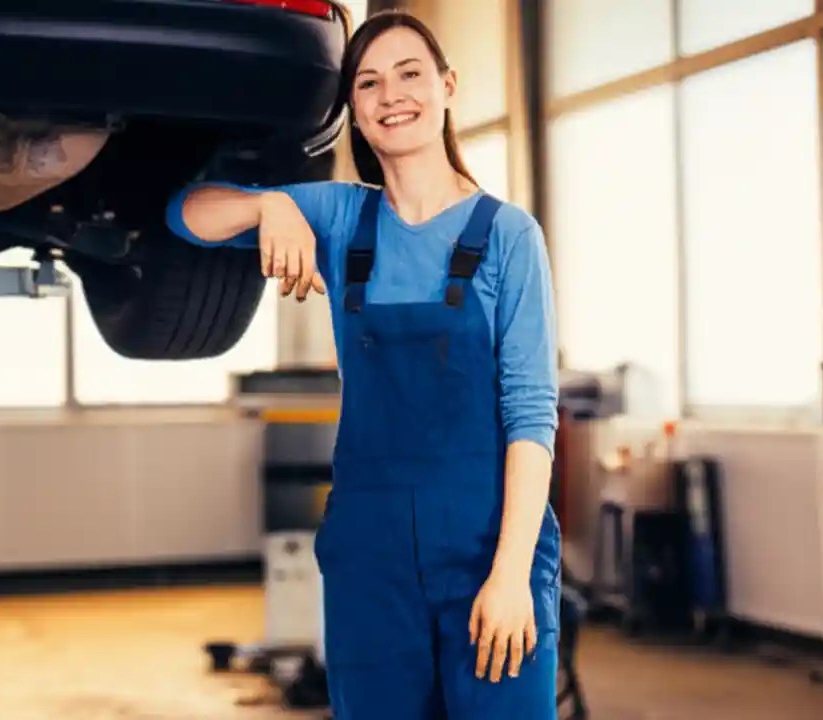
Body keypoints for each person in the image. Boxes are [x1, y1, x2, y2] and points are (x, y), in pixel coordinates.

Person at [165, 10, 561, 719]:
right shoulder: (344, 219)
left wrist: (509, 577)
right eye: (368, 83)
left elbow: (531, 414)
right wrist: (274, 208)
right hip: (370, 557)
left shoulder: (507, 235)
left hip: (487, 547)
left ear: (446, 86)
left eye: (410, 75)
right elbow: (183, 212)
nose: (391, 96)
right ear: (354, 109)